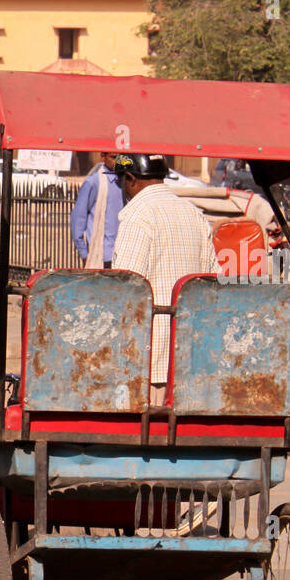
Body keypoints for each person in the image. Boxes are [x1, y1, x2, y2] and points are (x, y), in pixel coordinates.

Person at [111, 152, 220, 405]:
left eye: (120, 182)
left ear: (130, 178)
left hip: (150, 359)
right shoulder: (193, 214)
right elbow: (213, 280)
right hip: (189, 356)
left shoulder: (137, 215)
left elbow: (128, 288)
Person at [70, 151, 123, 269]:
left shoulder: (126, 182)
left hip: (123, 255)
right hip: (103, 256)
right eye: (114, 157)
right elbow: (78, 219)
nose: (117, 162)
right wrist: (84, 254)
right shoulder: (93, 182)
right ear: (103, 157)